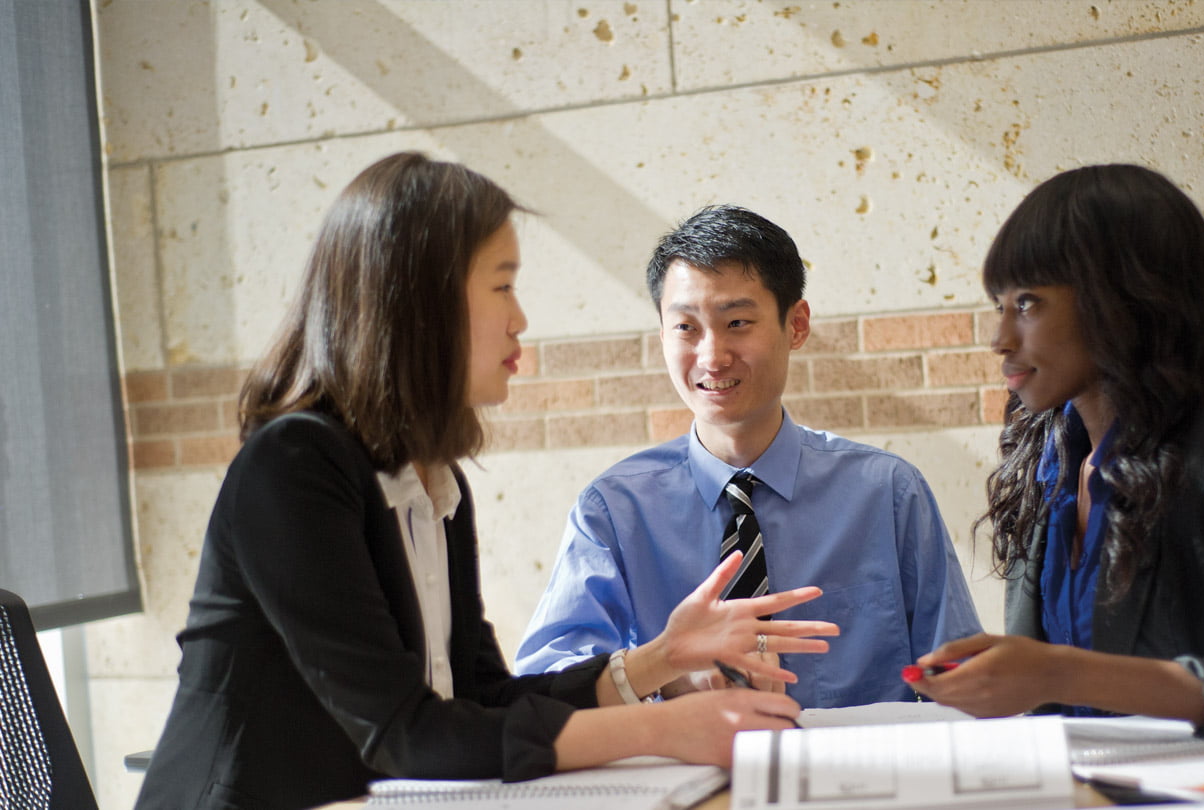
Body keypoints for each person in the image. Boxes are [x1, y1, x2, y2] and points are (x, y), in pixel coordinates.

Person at [135, 154, 839, 810]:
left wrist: (658, 661)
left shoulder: (435, 481)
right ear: (420, 303)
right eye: (502, 285)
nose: (520, 318)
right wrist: (664, 730)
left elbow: (484, 698)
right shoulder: (293, 468)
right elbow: (404, 733)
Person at [907, 164, 1204, 744]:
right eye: (999, 304)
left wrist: (1063, 673)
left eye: (1028, 303)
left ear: (1121, 299)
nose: (1000, 338)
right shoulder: (1046, 456)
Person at [515, 204, 983, 708]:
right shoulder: (614, 510)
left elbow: (959, 677)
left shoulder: (888, 493)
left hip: (854, 777)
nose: (712, 357)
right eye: (686, 328)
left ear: (796, 325)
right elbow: (547, 680)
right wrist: (669, 675)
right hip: (681, 775)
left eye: (737, 322)